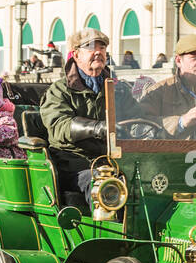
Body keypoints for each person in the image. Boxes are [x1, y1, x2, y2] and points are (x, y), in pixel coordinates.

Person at [40, 27, 149, 206]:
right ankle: (109, 232)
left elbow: (137, 117)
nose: (98, 52)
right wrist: (98, 128)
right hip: (74, 164)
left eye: (102, 48)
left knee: (152, 179)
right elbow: (60, 125)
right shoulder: (59, 90)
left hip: (114, 160)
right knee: (104, 185)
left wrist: (146, 130)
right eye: (90, 47)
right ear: (76, 55)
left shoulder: (118, 89)